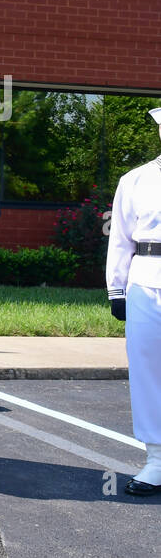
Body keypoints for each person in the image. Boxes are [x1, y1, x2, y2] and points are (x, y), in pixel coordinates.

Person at [106, 106, 161, 497]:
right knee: (146, 373)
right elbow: (121, 238)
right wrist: (116, 288)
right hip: (146, 279)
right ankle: (156, 459)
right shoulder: (136, 180)